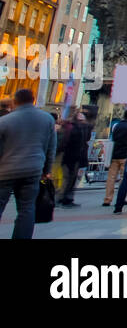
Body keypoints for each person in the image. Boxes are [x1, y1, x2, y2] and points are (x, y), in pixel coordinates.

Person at [0, 88, 57, 239]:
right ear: (33, 100)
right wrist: (46, 170)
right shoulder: (47, 119)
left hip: (6, 171)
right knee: (27, 209)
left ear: (15, 101)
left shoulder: (4, 121)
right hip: (33, 170)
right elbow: (51, 148)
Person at [101, 109, 127, 206]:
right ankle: (121, 197)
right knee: (124, 178)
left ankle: (107, 199)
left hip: (114, 154)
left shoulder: (117, 126)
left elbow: (114, 138)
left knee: (111, 178)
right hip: (126, 155)